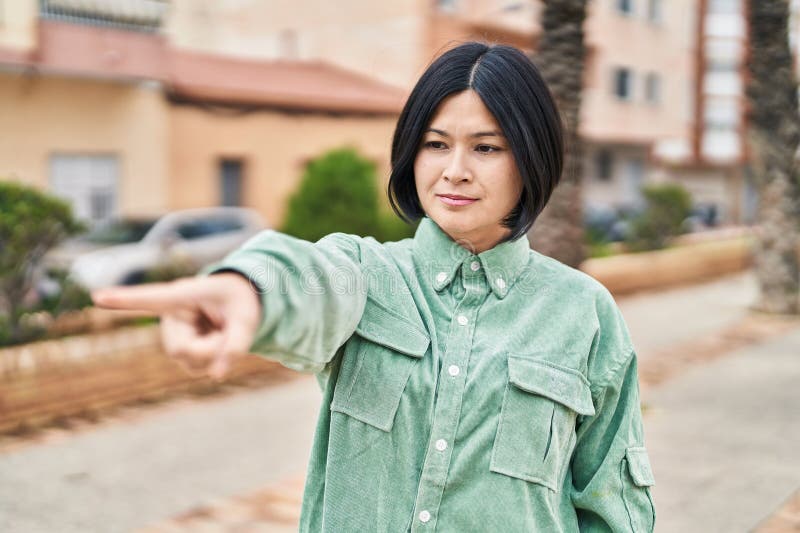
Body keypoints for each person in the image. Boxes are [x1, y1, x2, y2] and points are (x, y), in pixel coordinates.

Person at [93, 42, 656, 532]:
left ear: (530, 159)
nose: (454, 170)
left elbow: (614, 506)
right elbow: (303, 278)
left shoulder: (584, 313)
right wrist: (245, 290)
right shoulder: (366, 273)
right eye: (436, 144)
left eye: (486, 147)